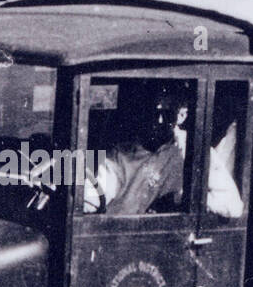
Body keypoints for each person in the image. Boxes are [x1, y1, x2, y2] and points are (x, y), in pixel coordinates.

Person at [84, 87, 243, 217]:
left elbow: (233, 205)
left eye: (167, 114)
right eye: (154, 113)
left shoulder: (194, 150)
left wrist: (183, 197)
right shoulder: (123, 154)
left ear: (181, 116)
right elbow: (96, 193)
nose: (159, 121)